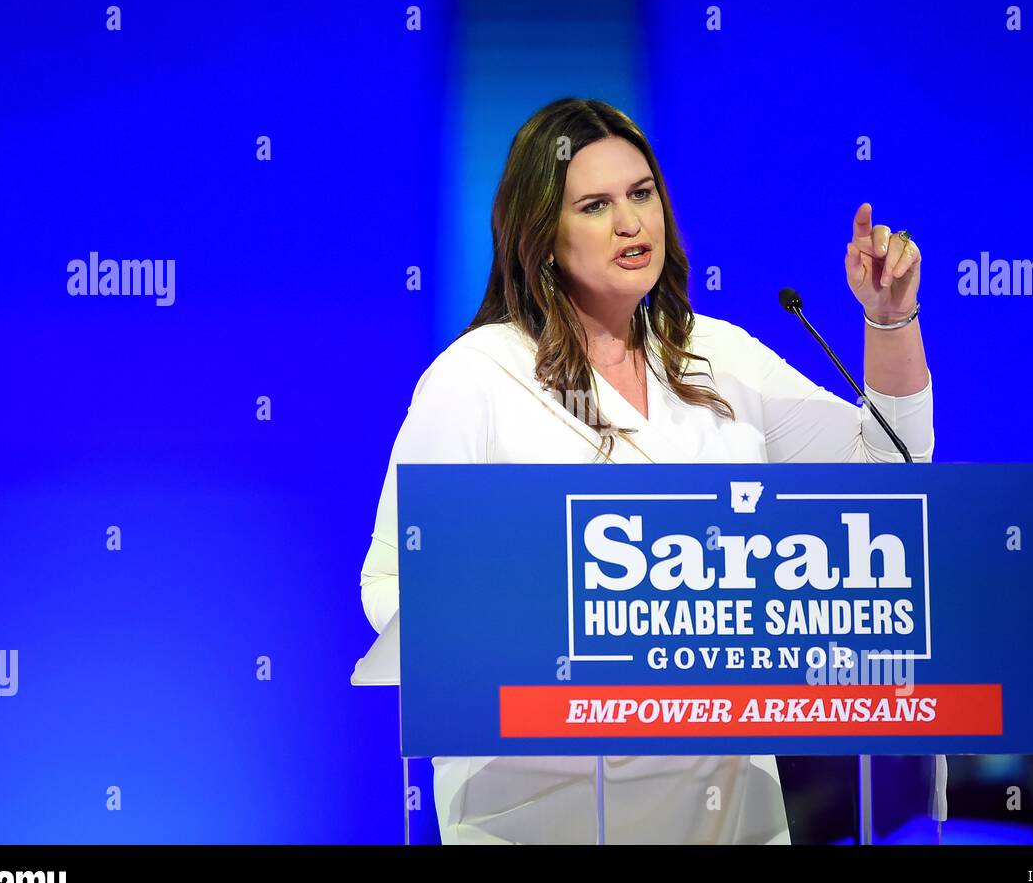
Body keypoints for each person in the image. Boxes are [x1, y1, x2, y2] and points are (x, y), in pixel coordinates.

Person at [359, 97, 933, 844]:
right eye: (595, 205)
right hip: (537, 810)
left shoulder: (714, 354)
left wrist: (889, 320)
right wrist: (555, 636)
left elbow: (888, 472)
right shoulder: (478, 376)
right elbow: (392, 587)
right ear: (542, 236)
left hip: (730, 807)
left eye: (641, 193)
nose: (631, 222)